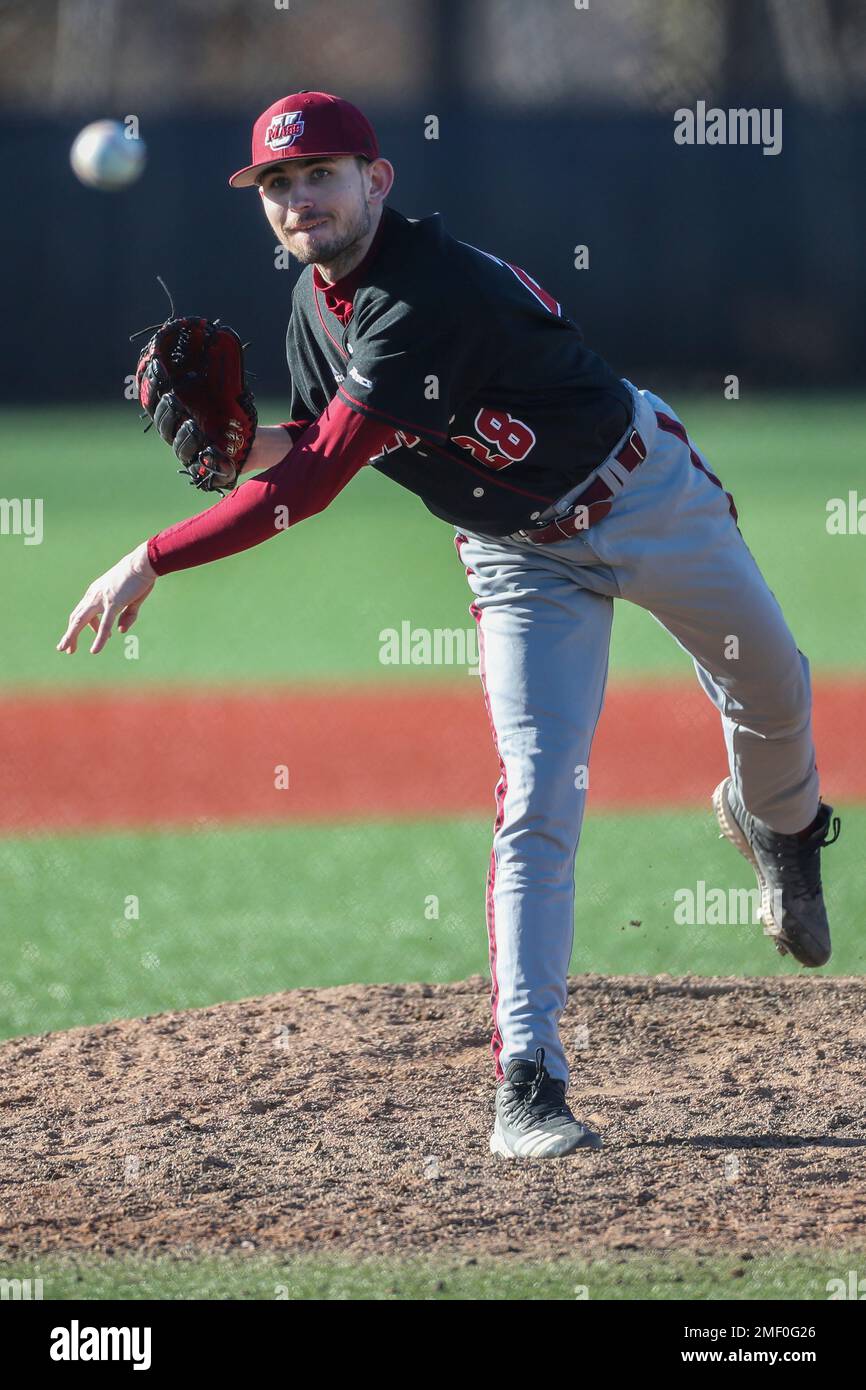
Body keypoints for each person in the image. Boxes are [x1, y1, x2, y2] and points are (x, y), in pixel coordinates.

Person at [57, 91, 840, 1162]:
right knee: (537, 791)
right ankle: (530, 1080)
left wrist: (153, 554)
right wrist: (237, 448)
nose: (298, 200)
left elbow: (321, 480)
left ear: (377, 180)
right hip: (516, 553)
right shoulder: (313, 309)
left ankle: (779, 827)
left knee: (774, 690)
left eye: (319, 175)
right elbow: (316, 441)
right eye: (277, 186)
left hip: (643, 495)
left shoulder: (427, 292)